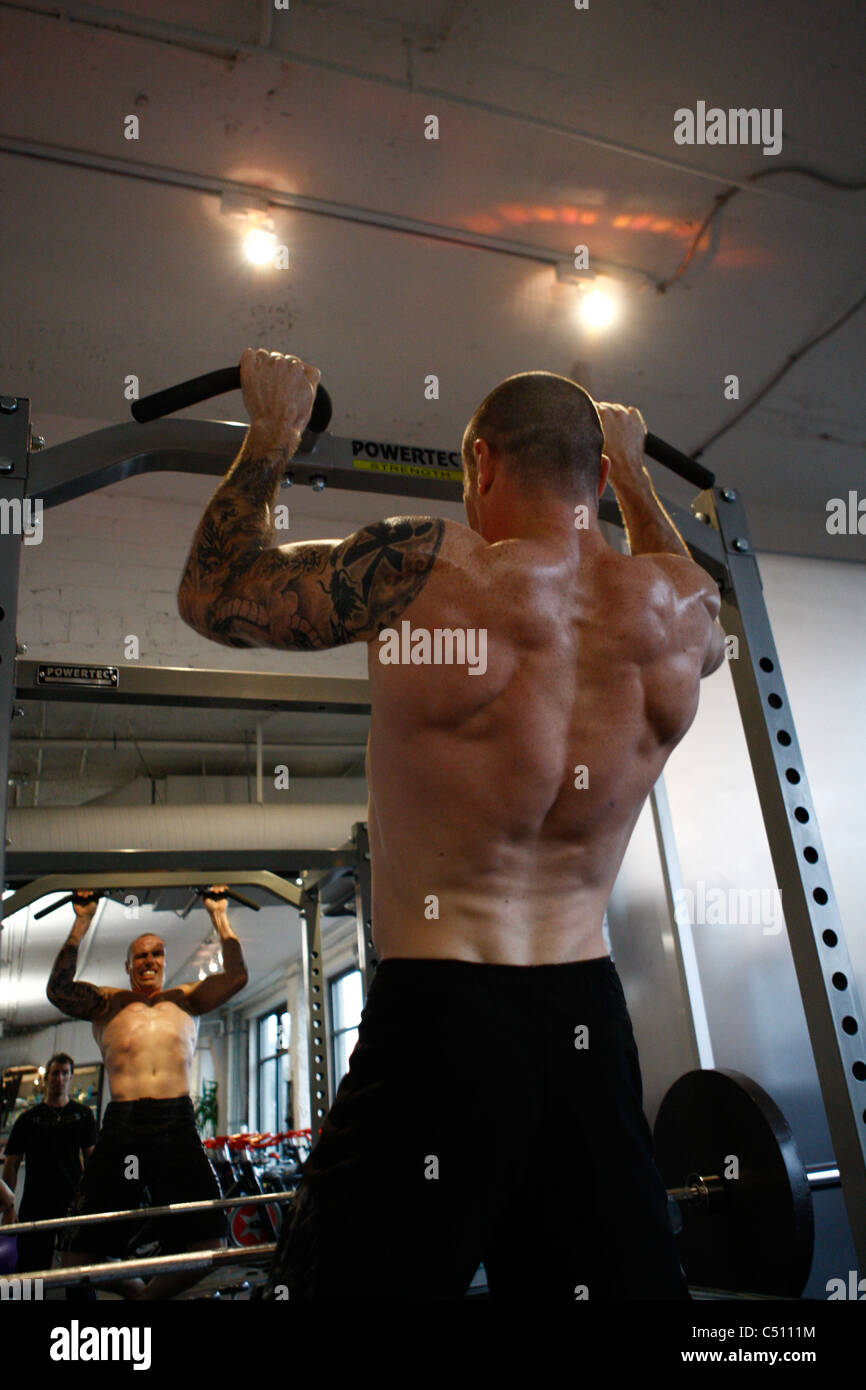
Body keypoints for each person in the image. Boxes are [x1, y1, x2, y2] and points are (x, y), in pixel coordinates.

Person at [178, 350, 725, 1299]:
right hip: (588, 1022)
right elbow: (696, 608)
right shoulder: (677, 611)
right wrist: (635, 469)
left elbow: (215, 593)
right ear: (596, 477)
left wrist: (273, 428)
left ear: (478, 462)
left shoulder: (426, 566)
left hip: (442, 1020)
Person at [46, 885, 248, 1299]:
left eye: (157, 953)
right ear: (128, 965)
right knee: (74, 1257)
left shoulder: (188, 999)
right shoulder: (107, 1003)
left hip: (176, 1122)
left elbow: (238, 976)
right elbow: (59, 990)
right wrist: (81, 922)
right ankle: (139, 1295)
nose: (151, 961)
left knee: (212, 1243)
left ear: (165, 961)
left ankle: (146, 1299)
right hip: (124, 1126)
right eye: (141, 955)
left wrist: (219, 914)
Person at [1, 1053, 96, 1277]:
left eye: (65, 1073)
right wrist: (8, 1207)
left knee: (79, 1269)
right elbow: (11, 1165)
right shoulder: (27, 1120)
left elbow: (92, 1161)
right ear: (47, 1078)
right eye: (55, 1073)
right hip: (36, 1203)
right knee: (29, 1270)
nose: (59, 1079)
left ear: (71, 1077)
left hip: (73, 1202)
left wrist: (92, 1202)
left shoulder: (82, 1116)